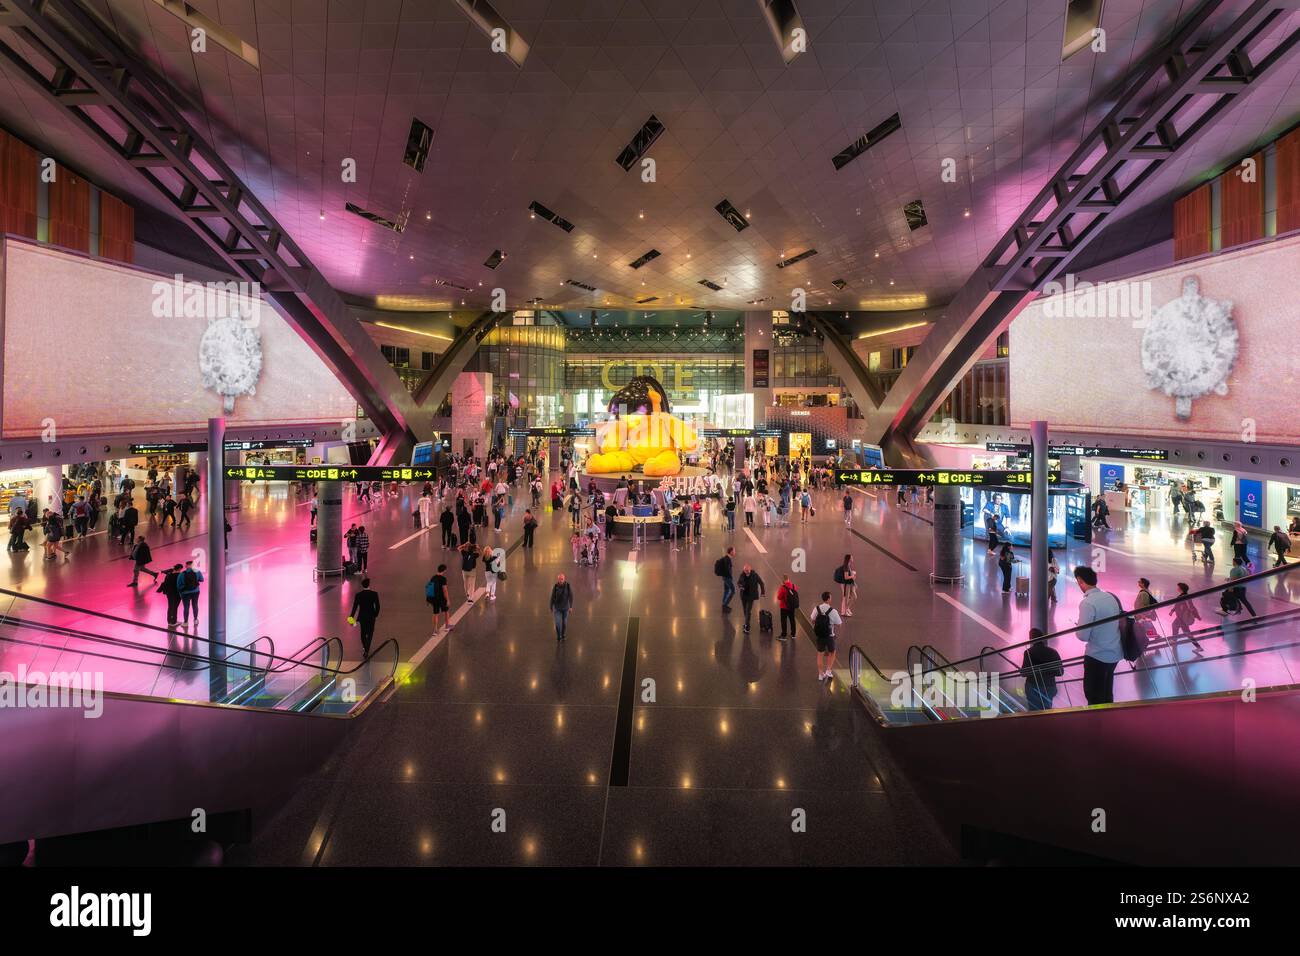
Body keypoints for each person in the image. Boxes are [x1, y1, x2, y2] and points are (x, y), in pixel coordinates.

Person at [1073, 566, 1124, 705]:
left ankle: (1097, 723)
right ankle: (1108, 721)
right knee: (1107, 691)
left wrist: (1078, 627)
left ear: (1080, 581)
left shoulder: (1087, 603)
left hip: (1097, 655)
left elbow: (1082, 635)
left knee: (1093, 695)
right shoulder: (1110, 597)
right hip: (1114, 653)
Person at [1019, 628, 1063, 711]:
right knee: (1046, 709)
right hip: (1049, 687)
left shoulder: (1028, 652)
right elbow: (1060, 672)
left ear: (1031, 639)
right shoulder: (1053, 652)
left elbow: (1025, 673)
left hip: (1034, 687)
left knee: (1034, 711)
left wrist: (1022, 671)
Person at [810, 592, 843, 682]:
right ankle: (828, 670)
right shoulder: (833, 611)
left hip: (820, 635)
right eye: (831, 598)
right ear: (828, 599)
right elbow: (839, 624)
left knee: (820, 654)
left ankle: (820, 674)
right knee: (832, 652)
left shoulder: (817, 608)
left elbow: (812, 619)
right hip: (829, 636)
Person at [1167, 582, 1205, 654]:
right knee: (1175, 625)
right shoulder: (1181, 596)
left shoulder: (1186, 597)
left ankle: (1198, 647)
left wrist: (1197, 616)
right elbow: (1177, 605)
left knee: (1187, 633)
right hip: (1180, 617)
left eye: (1178, 587)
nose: (1177, 588)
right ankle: (1174, 640)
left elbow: (1192, 607)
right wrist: (1172, 611)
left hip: (1183, 618)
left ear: (1181, 588)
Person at [349, 577, 381, 657]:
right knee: (370, 633)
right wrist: (375, 614)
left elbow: (355, 607)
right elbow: (378, 606)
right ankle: (367, 649)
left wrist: (351, 617)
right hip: (371, 616)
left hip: (362, 617)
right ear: (369, 584)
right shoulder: (374, 594)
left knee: (363, 633)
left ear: (362, 585)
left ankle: (365, 647)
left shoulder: (358, 595)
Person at [737, 563, 766, 633]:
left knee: (748, 611)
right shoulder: (742, 575)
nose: (746, 572)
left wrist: (762, 592)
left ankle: (747, 626)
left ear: (750, 569)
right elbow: (738, 582)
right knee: (745, 611)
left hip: (750, 596)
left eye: (747, 570)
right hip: (743, 596)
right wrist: (740, 586)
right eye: (745, 570)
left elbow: (761, 583)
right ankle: (746, 623)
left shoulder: (755, 575)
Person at [177, 559, 204, 625]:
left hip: (185, 593)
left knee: (186, 607)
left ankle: (185, 622)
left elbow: (178, 585)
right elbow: (202, 579)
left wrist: (180, 592)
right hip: (195, 591)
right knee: (195, 605)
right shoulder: (197, 572)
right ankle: (195, 620)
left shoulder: (181, 574)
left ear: (186, 566)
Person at [426, 564, 451, 632]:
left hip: (434, 598)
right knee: (446, 612)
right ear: (444, 570)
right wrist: (448, 600)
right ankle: (447, 626)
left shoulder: (433, 577)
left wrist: (428, 599)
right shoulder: (443, 579)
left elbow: (430, 588)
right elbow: (445, 590)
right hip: (442, 598)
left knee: (435, 613)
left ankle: (435, 629)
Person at [550, 573, 574, 642]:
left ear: (564, 579)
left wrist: (571, 606)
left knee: (564, 623)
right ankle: (558, 636)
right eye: (559, 579)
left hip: (565, 609)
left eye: (562, 579)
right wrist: (551, 606)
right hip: (557, 608)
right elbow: (552, 597)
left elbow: (571, 596)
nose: (561, 580)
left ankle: (563, 635)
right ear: (558, 579)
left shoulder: (568, 586)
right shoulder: (555, 587)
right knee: (557, 623)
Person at [776, 574, 799, 641]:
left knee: (784, 621)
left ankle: (784, 635)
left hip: (784, 607)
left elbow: (779, 597)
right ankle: (793, 634)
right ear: (788, 579)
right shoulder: (794, 586)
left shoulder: (783, 588)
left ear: (783, 580)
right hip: (792, 607)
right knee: (792, 619)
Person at [459, 539, 480, 603]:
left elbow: (459, 548)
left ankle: (467, 593)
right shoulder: (475, 555)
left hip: (464, 570)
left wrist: (464, 545)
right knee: (472, 584)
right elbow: (480, 553)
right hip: (472, 570)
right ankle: (470, 598)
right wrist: (477, 548)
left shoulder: (464, 553)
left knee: (465, 583)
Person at [716, 546, 736, 612]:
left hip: (725, 577)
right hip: (727, 578)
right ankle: (725, 604)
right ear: (731, 552)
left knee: (726, 590)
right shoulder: (727, 559)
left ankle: (724, 604)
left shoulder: (726, 558)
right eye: (734, 551)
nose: (735, 552)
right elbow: (728, 570)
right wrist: (730, 577)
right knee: (733, 591)